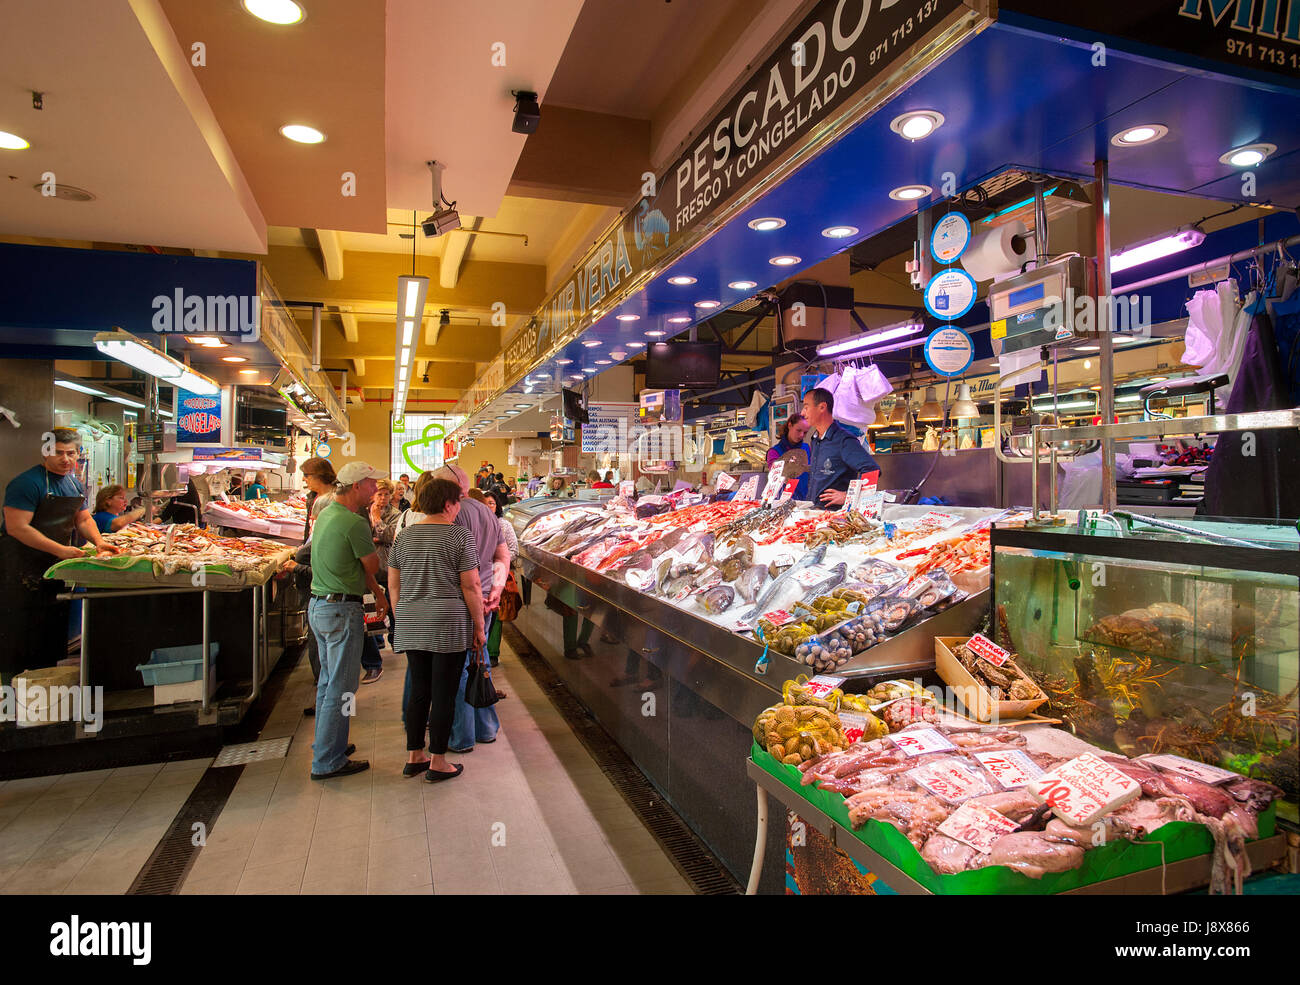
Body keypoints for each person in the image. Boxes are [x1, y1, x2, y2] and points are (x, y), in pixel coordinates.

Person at [0, 427, 119, 682]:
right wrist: (61, 550)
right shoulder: (26, 483)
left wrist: (98, 542)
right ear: (45, 452)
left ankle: (45, 690)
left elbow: (83, 518)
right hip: (18, 569)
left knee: (50, 635)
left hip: (52, 569)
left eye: (71, 453)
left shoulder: (73, 483)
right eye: (59, 453)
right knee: (16, 640)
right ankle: (10, 702)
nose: (66, 459)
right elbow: (17, 527)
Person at [388, 477, 485, 782]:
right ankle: (438, 761)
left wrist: (402, 615)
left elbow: (394, 584)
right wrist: (479, 626)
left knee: (420, 690)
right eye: (458, 502)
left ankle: (415, 756)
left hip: (411, 619)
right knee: (444, 693)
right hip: (448, 621)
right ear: (447, 504)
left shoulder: (403, 537)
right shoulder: (460, 537)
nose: (460, 508)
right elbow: (471, 586)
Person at [306, 461, 389, 779]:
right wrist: (382, 586)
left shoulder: (326, 513)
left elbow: (355, 566)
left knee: (328, 683)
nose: (375, 489)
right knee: (342, 687)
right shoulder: (355, 523)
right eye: (371, 484)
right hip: (341, 611)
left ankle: (327, 745)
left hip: (321, 607)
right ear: (356, 486)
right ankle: (328, 761)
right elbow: (370, 563)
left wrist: (377, 594)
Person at [432, 463, 509, 750]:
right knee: (481, 661)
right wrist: (497, 590)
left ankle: (461, 737)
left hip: (460, 601)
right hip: (487, 598)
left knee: (458, 668)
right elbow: (503, 555)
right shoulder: (484, 511)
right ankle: (486, 728)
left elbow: (465, 576)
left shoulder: (449, 515)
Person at [802, 387, 879, 509]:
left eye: (806, 407)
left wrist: (849, 496)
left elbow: (872, 470)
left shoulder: (844, 440)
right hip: (815, 513)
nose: (802, 413)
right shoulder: (815, 439)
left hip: (835, 517)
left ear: (822, 407)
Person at [368, 478, 402, 651]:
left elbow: (389, 536)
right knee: (371, 606)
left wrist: (377, 519)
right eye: (379, 494)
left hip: (387, 565)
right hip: (369, 566)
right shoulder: (363, 512)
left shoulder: (396, 514)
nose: (383, 498)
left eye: (386, 494)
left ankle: (395, 638)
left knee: (391, 602)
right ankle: (377, 638)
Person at [486, 512, 518, 667]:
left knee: (496, 613)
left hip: (498, 574)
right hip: (481, 575)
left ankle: (492, 653)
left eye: (492, 503)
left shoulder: (504, 525)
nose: (488, 507)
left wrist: (499, 560)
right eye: (485, 503)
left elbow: (513, 550)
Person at [767, 413, 813, 501]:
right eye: (798, 430)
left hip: (807, 501)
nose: (801, 435)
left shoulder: (807, 448)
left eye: (805, 432)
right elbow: (775, 477)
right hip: (784, 502)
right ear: (789, 425)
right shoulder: (774, 452)